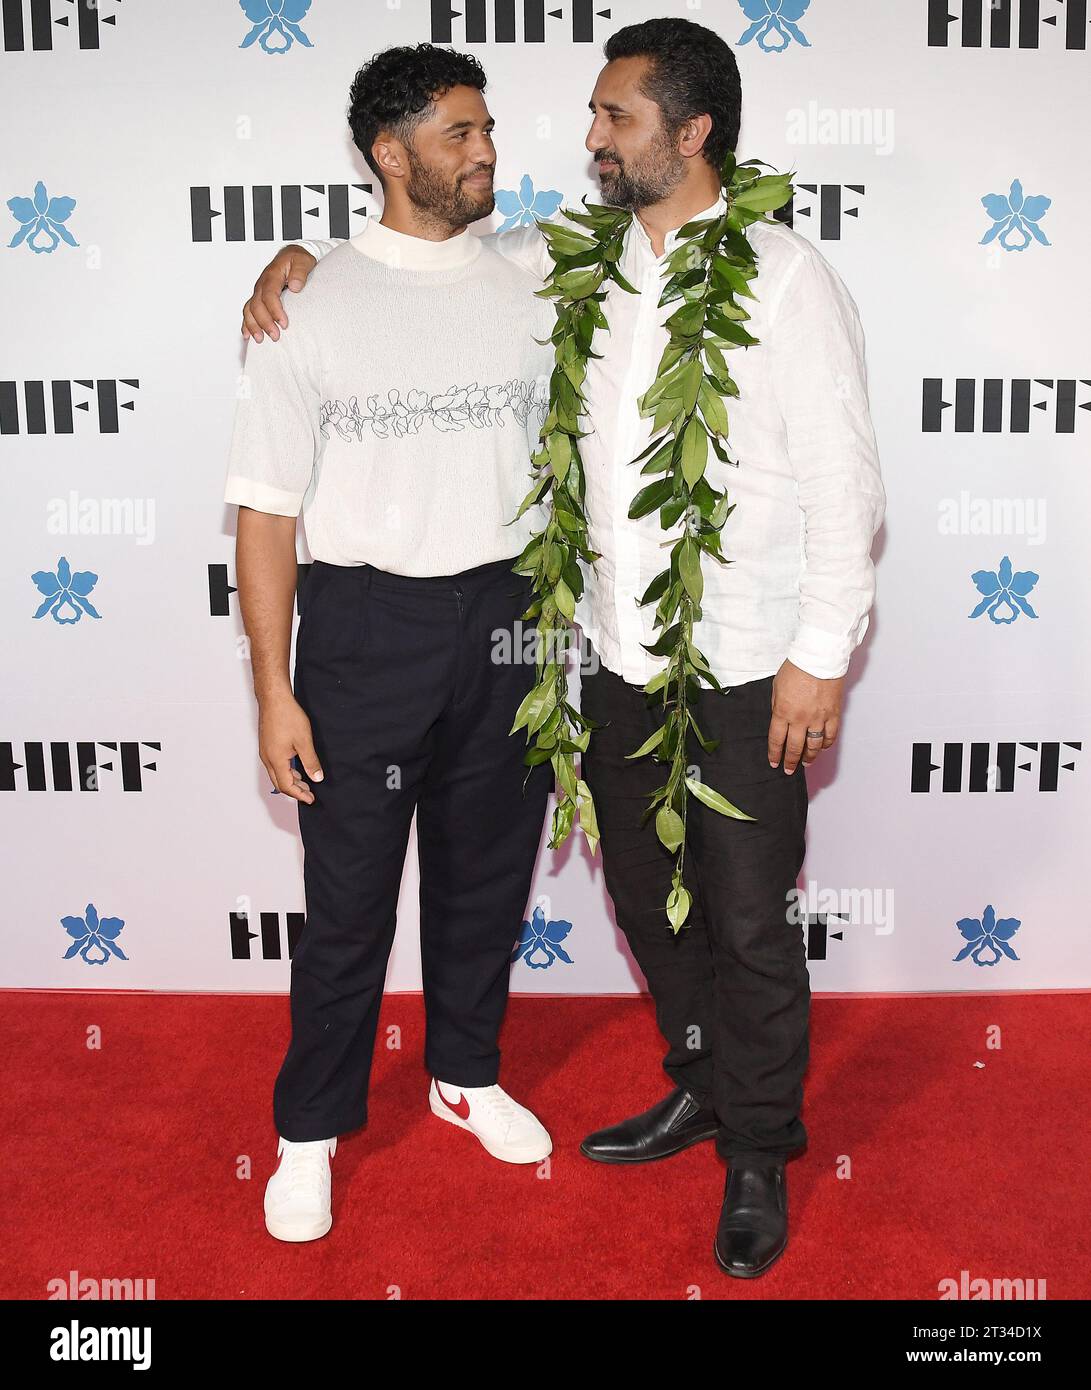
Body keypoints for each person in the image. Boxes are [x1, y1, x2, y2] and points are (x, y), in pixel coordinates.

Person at [241, 18, 885, 1278]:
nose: (569, 140)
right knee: (635, 898)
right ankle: (337, 1127)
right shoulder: (570, 263)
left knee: (736, 914)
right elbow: (279, 484)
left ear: (689, 135)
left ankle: (749, 1141)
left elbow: (843, 481)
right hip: (550, 647)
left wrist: (821, 650)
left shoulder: (764, 274)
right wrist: (290, 255)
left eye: (612, 120)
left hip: (713, 652)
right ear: (391, 152)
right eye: (465, 132)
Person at [223, 42, 556, 1245]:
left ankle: (463, 1073)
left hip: (512, 611)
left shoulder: (536, 270)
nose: (487, 152)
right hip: (365, 626)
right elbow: (264, 511)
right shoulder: (305, 302)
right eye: (460, 133)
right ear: (388, 152)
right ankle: (308, 1129)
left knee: (483, 875)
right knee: (347, 899)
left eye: (487, 129)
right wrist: (272, 688)